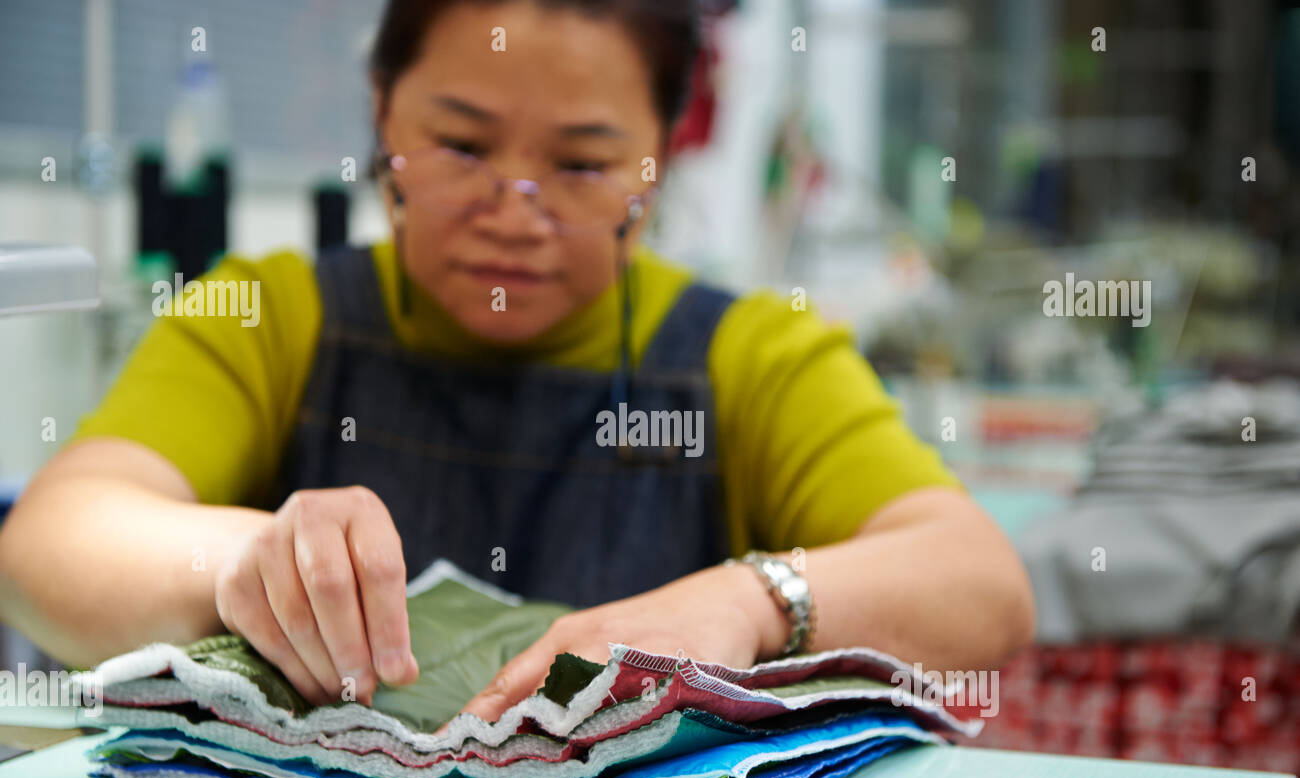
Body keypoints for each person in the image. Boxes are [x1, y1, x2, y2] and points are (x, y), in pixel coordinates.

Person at [0, 0, 1033, 726]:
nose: (512, 211)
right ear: (382, 114)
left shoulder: (750, 355)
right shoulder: (267, 315)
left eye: (582, 164)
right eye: (460, 145)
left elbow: (978, 586)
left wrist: (751, 599)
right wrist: (240, 563)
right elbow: (50, 543)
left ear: (659, 160)